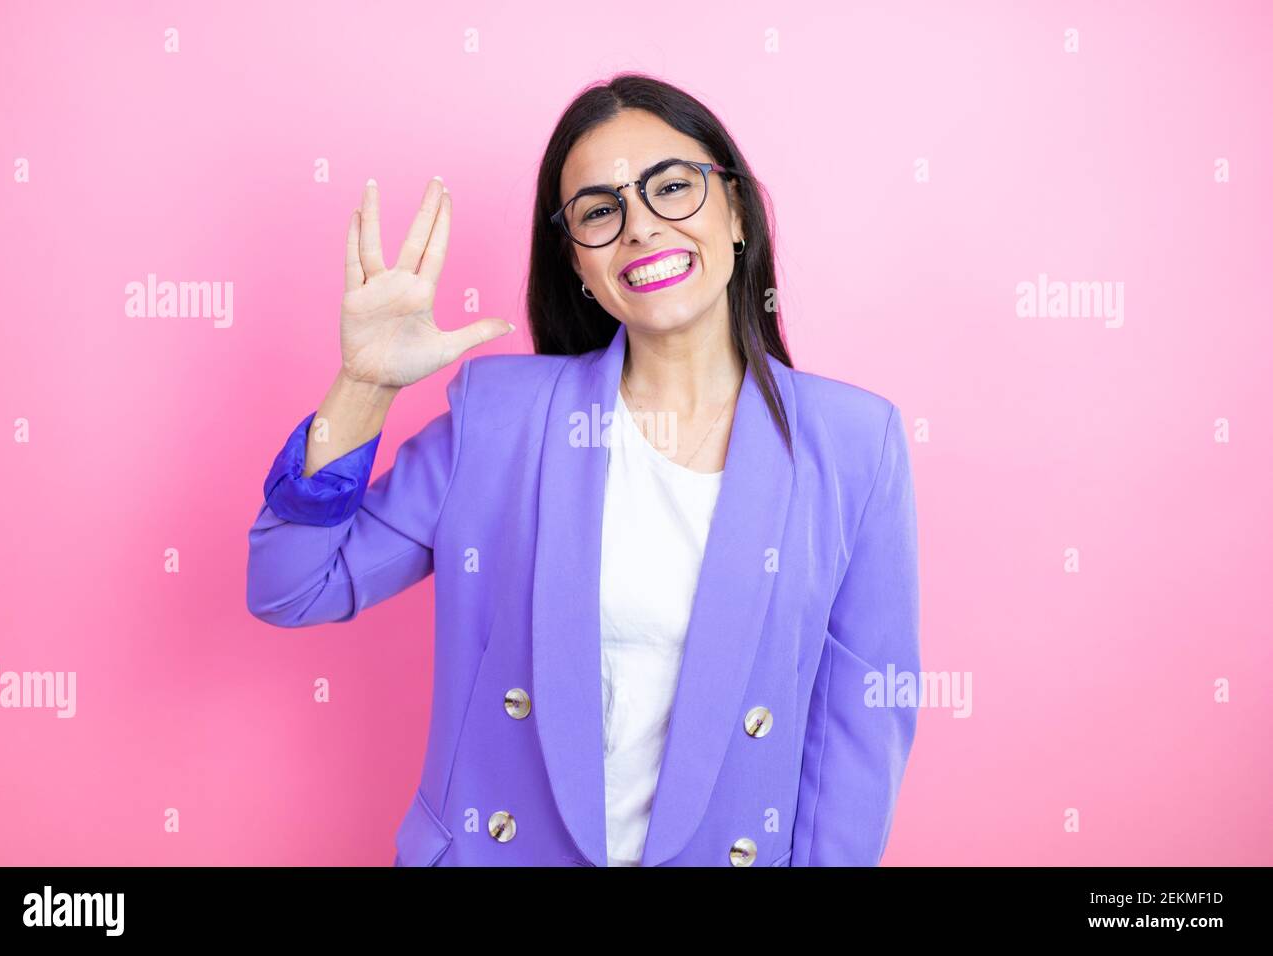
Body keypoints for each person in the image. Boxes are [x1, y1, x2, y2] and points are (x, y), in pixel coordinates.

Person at [246, 73, 920, 867]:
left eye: (672, 186)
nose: (640, 227)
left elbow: (857, 740)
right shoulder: (501, 418)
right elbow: (292, 587)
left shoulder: (853, 443)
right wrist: (365, 384)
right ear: (578, 264)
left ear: (736, 212)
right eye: (601, 210)